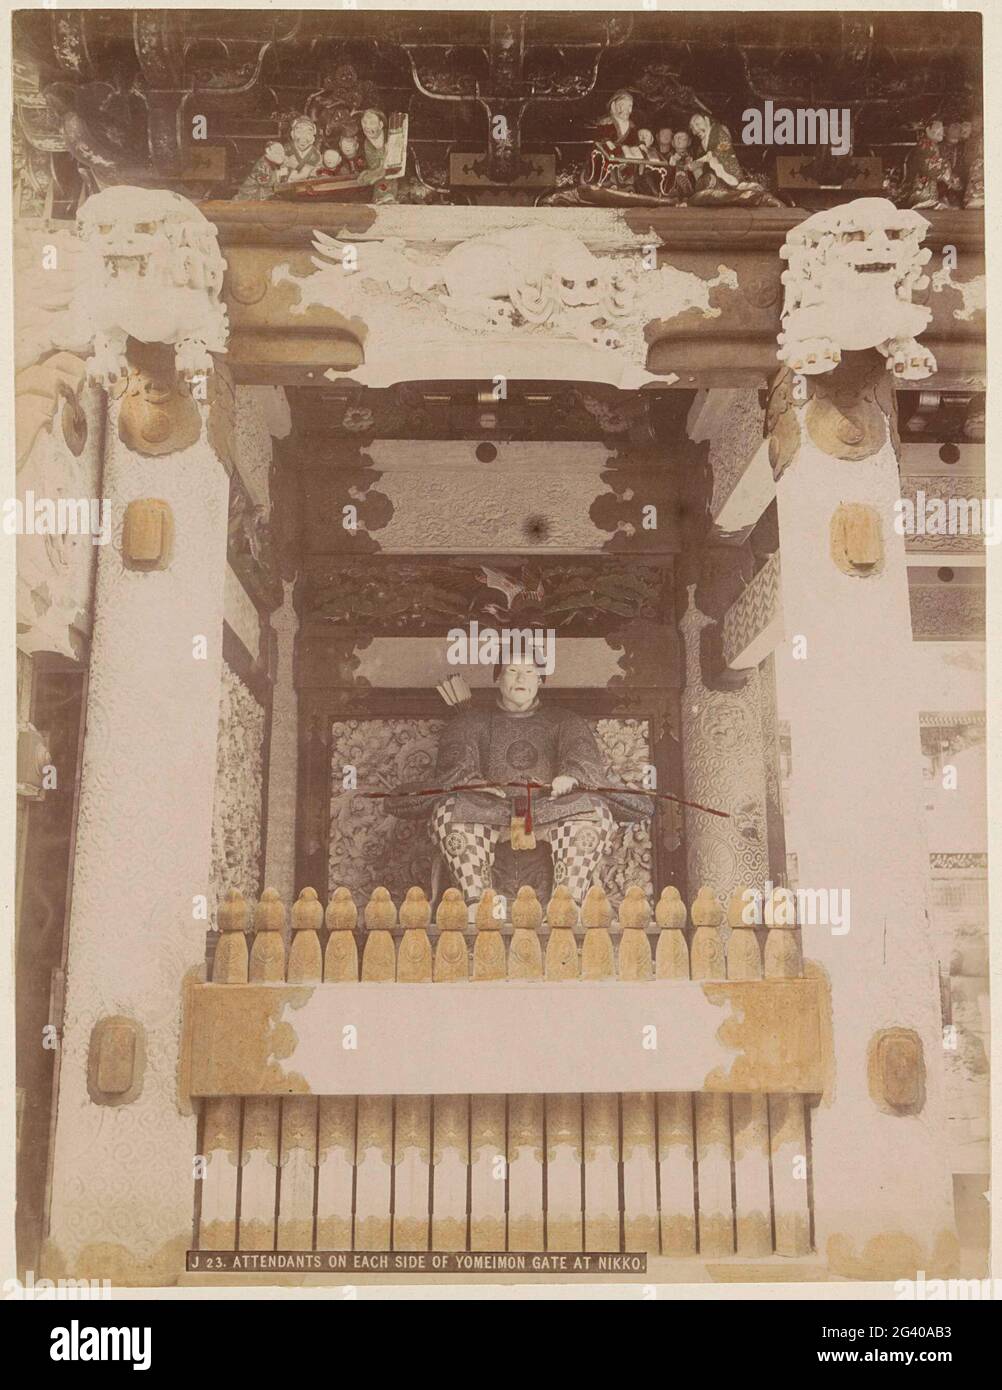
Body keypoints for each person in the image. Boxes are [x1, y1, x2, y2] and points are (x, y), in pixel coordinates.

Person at [423, 654, 651, 907]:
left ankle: (566, 902)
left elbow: (582, 759)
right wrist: (473, 783)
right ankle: (477, 902)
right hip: (490, 809)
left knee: (594, 811)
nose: (521, 679)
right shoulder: (471, 720)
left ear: (540, 680)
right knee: (448, 811)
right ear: (498, 677)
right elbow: (455, 766)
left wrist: (571, 777)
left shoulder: (564, 720)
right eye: (512, 671)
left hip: (549, 808)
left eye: (530, 672)